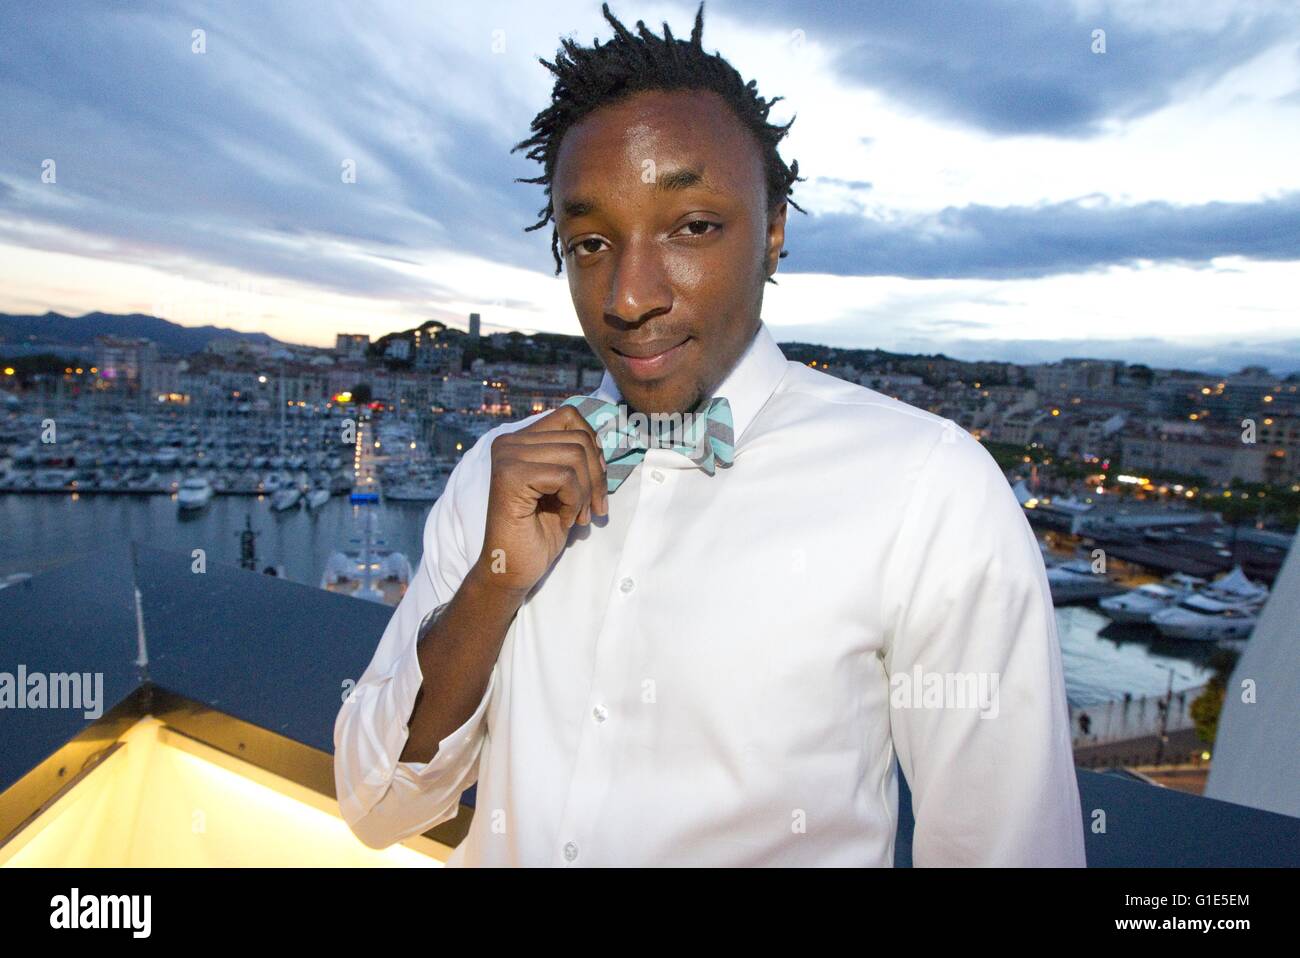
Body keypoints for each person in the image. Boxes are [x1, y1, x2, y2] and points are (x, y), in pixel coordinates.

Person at [333, 1, 1086, 867]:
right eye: (588, 242)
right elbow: (376, 806)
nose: (627, 294)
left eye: (692, 227)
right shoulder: (494, 474)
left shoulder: (928, 488)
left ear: (772, 235)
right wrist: (493, 586)